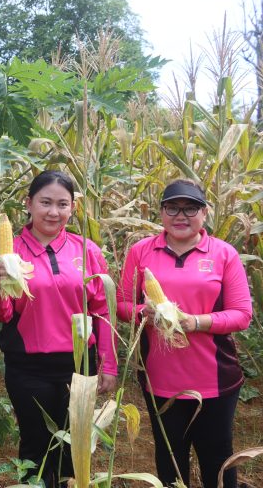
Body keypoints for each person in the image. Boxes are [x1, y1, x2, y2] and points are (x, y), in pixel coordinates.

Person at [0, 170, 117, 488]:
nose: (53, 212)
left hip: (80, 364)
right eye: (45, 202)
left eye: (62, 204)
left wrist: (108, 363)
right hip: (30, 367)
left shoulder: (87, 251)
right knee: (35, 446)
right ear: (28, 204)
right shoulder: (9, 253)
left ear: (72, 208)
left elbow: (102, 310)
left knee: (75, 447)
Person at [116, 179, 252, 488]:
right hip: (161, 380)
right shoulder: (141, 252)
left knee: (217, 460)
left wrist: (195, 322)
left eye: (190, 208)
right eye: (172, 207)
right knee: (170, 461)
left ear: (204, 213)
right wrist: (143, 314)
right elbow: (122, 305)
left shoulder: (223, 254)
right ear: (161, 212)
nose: (181, 215)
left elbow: (242, 314)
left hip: (215, 380)